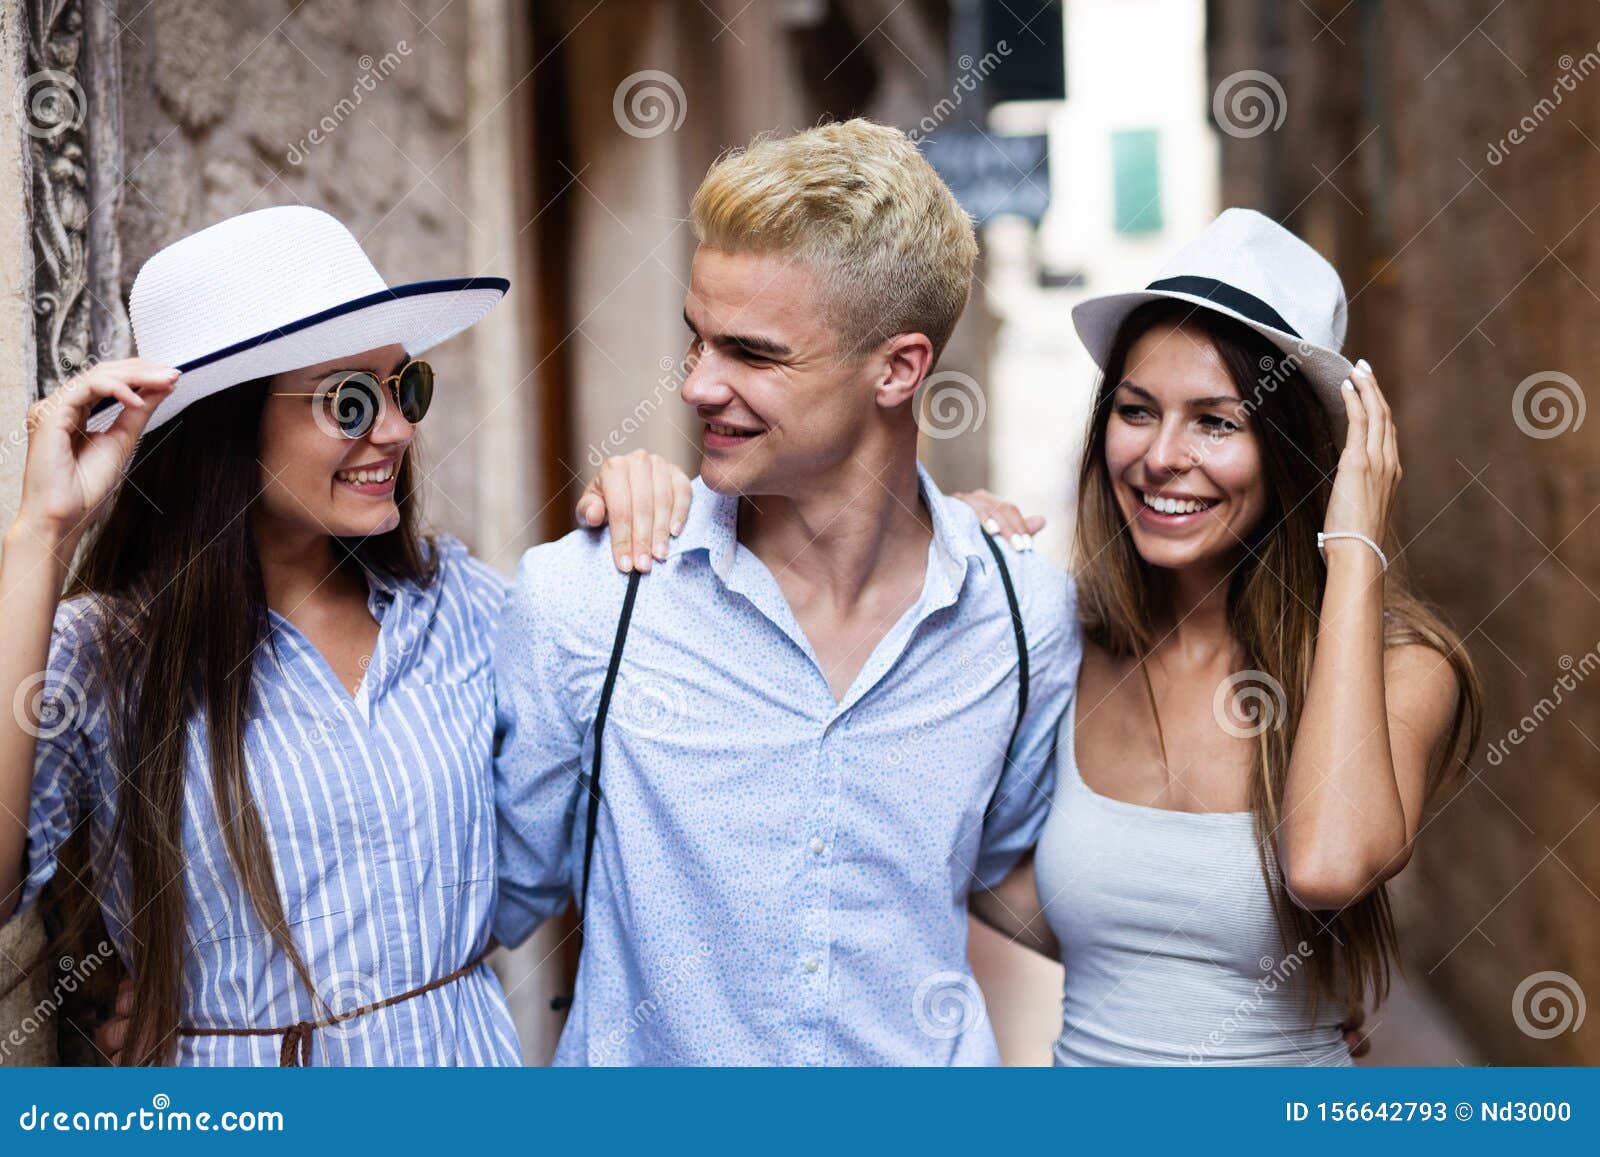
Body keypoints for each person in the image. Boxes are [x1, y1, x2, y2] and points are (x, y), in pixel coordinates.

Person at [0, 205, 684, 1066]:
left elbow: (561, 824)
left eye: (406, 388)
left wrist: (639, 510)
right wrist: (42, 532)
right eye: (350, 399)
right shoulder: (108, 655)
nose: (396, 430)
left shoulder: (457, 605)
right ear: (230, 426)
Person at [489, 119, 1078, 1065]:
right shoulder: (591, 599)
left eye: (753, 355)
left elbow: (1007, 873)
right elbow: (472, 899)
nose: (696, 387)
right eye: (698, 340)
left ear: (899, 368)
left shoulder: (1020, 620)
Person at [964, 209, 1481, 1065]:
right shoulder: (1065, 644)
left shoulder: (1405, 668)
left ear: (1295, 456)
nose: (1162, 454)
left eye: (1216, 420)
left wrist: (1354, 545)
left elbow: (1326, 862)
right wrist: (956, 577)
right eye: (1136, 410)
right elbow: (944, 841)